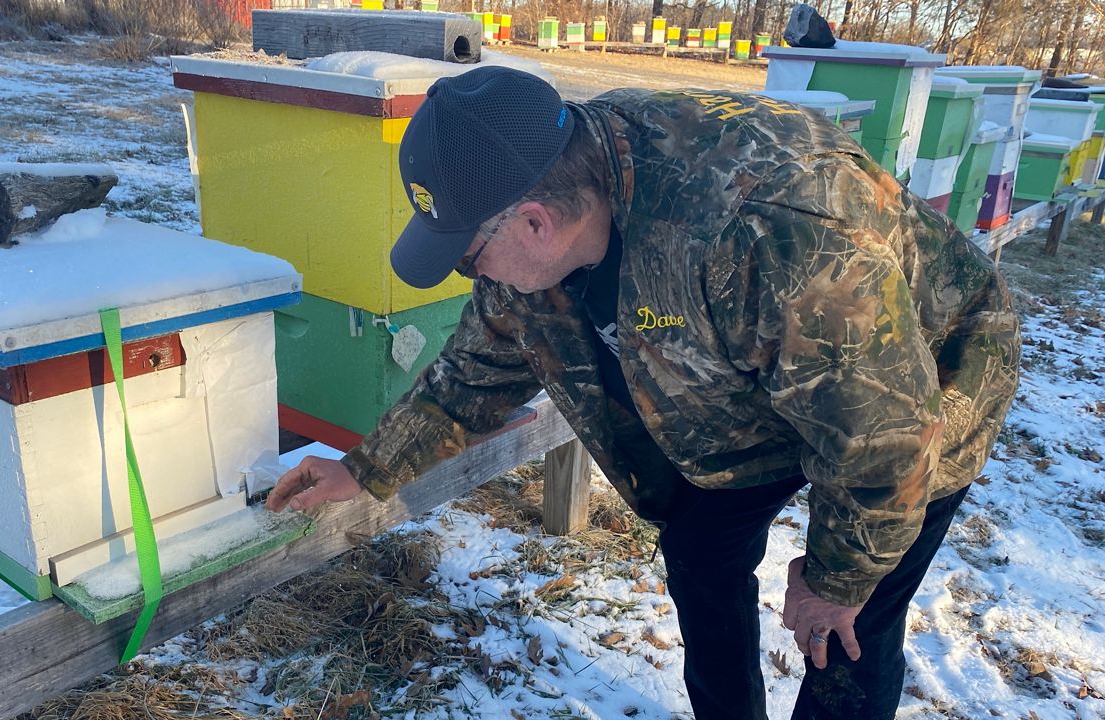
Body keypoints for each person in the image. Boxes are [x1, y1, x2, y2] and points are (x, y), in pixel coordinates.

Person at [267, 66, 1021, 719]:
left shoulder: (770, 228)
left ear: (533, 223)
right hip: (755, 387)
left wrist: (839, 577)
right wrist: (365, 470)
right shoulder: (555, 184)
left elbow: (882, 434)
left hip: (921, 387)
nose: (476, 278)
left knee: (845, 630)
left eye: (470, 258)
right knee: (699, 550)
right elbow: (481, 362)